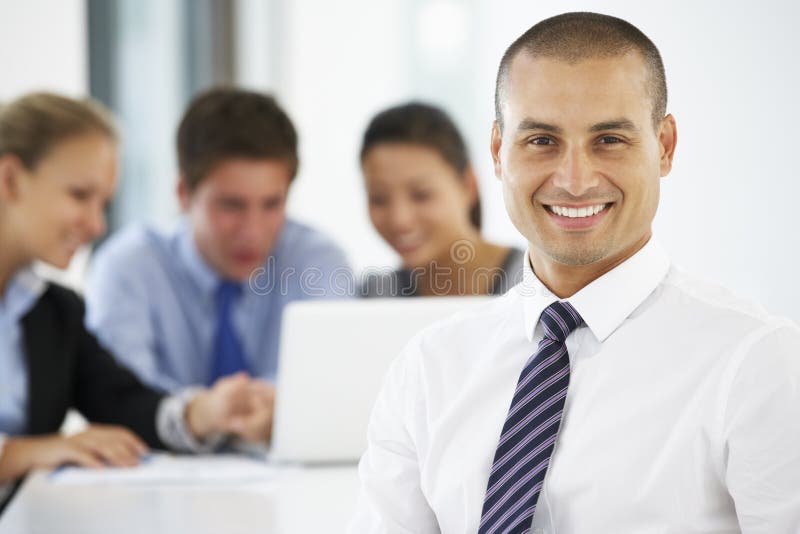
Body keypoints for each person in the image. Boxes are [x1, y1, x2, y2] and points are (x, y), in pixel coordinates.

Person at [349, 12, 800, 534]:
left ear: (665, 147)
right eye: (541, 140)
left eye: (609, 139)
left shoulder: (760, 365)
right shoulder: (428, 370)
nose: (575, 179)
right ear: (499, 152)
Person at [0, 92, 275, 501]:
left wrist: (205, 412)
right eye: (79, 195)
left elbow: (123, 402)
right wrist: (20, 452)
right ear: (10, 179)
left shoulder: (53, 311)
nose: (96, 225)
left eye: (103, 203)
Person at [85, 87, 353, 394]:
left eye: (271, 204)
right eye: (231, 205)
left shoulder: (317, 260)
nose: (253, 231)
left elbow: (331, 383)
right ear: (183, 193)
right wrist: (207, 414)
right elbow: (121, 396)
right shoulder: (128, 267)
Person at [360, 102, 523, 298]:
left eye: (421, 195)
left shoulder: (536, 284)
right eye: (379, 199)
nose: (399, 219)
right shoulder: (374, 297)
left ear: (468, 185)